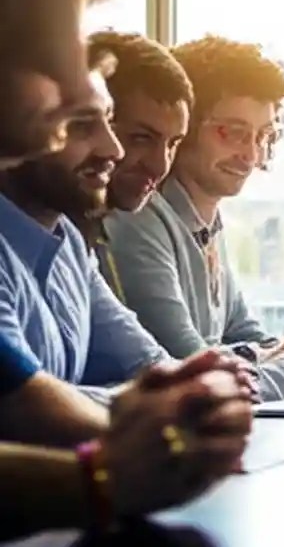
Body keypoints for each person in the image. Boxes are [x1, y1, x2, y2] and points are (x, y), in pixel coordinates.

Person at [0, 0, 251, 539]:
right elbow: (24, 407)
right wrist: (105, 475)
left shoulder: (68, 247)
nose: (82, 86)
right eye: (51, 54)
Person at [89, 31, 284, 400]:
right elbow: (185, 364)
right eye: (232, 133)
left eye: (262, 136)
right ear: (188, 127)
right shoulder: (133, 219)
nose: (250, 155)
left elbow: (242, 333)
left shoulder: (207, 222)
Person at [0, 63, 170, 387]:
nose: (114, 149)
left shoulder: (70, 244)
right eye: (80, 126)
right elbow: (34, 413)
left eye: (108, 120)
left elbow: (156, 370)